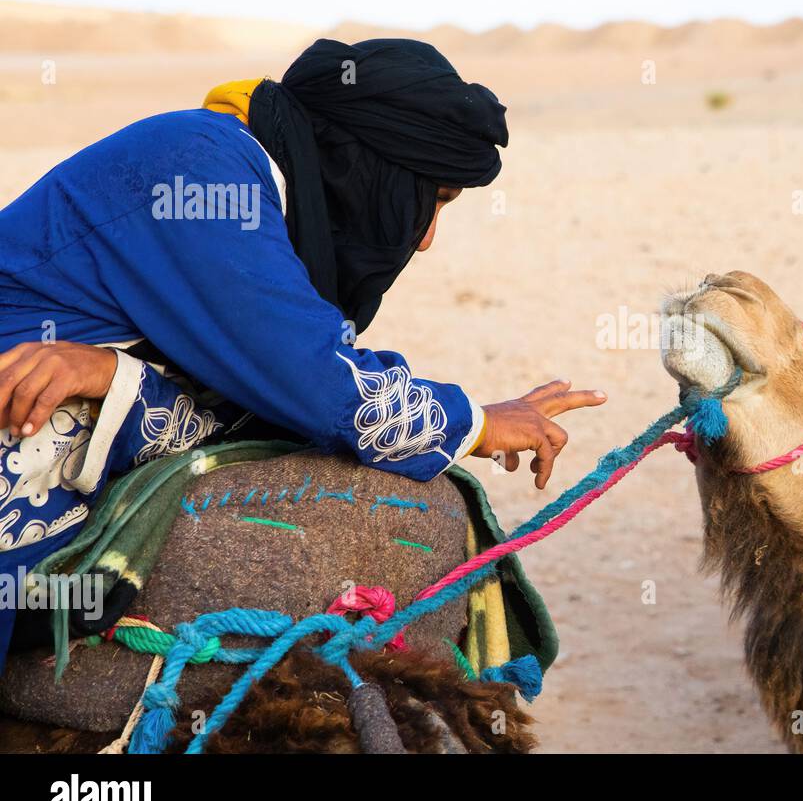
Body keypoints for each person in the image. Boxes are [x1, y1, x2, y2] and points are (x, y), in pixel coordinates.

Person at [0, 38, 605, 669]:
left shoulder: (254, 184)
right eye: (433, 199)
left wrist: (110, 374)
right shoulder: (200, 170)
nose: (424, 240)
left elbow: (255, 406)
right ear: (371, 168)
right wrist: (475, 424)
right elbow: (316, 388)